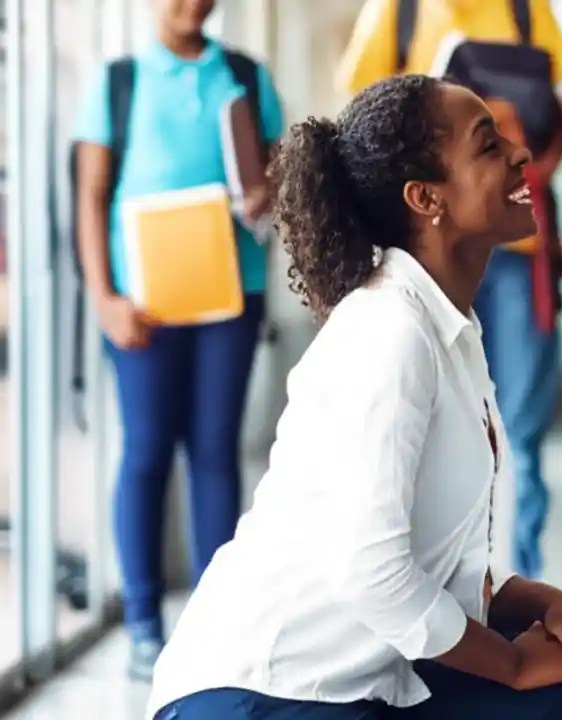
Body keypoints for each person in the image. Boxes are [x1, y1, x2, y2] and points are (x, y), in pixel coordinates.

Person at [146, 75, 562, 720]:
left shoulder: (445, 326)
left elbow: (436, 567)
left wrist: (549, 604)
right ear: (425, 197)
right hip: (265, 692)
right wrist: (516, 663)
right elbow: (372, 572)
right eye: (488, 146)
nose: (522, 155)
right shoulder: (390, 333)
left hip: (366, 680)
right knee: (549, 689)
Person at [72, 0, 284, 680]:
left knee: (215, 451)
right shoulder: (119, 83)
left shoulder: (247, 78)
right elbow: (91, 197)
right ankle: (141, 624)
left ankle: (212, 624)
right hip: (144, 308)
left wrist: (265, 195)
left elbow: (283, 177)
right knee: (146, 451)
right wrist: (104, 298)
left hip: (231, 298)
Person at [336, 0, 562, 581]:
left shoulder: (525, 11)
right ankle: (449, 580)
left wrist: (519, 171)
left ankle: (518, 580)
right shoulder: (397, 14)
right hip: (435, 256)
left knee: (520, 424)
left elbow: (556, 118)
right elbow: (361, 133)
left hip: (518, 256)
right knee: (440, 424)